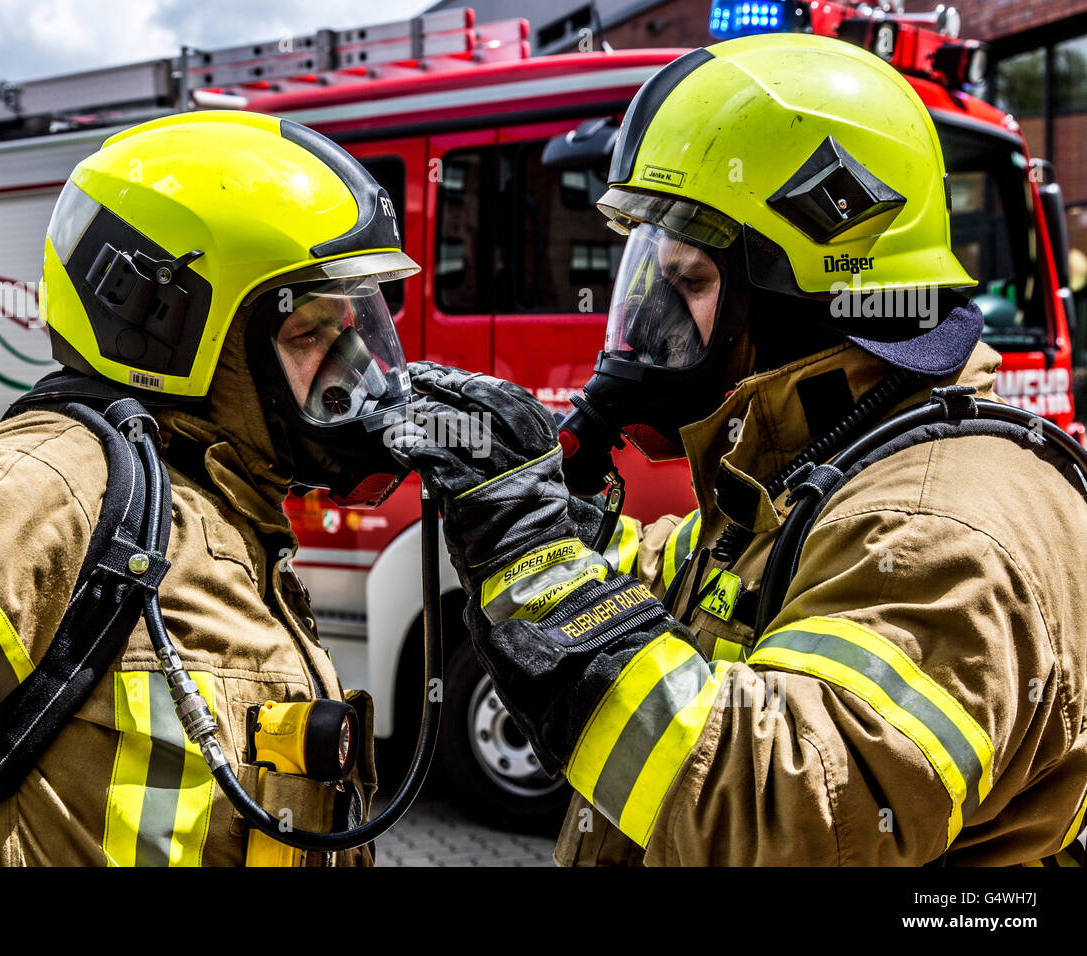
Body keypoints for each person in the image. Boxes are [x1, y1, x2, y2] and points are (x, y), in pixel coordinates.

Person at [391, 33, 1087, 866]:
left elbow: (778, 817)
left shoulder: (932, 529)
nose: (648, 325)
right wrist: (542, 505)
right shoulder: (815, 476)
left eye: (687, 283)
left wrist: (532, 562)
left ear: (804, 290)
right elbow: (683, 587)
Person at [0, 110, 417, 867]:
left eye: (357, 330)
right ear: (173, 332)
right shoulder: (41, 489)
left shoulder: (224, 509)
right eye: (309, 335)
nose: (354, 372)